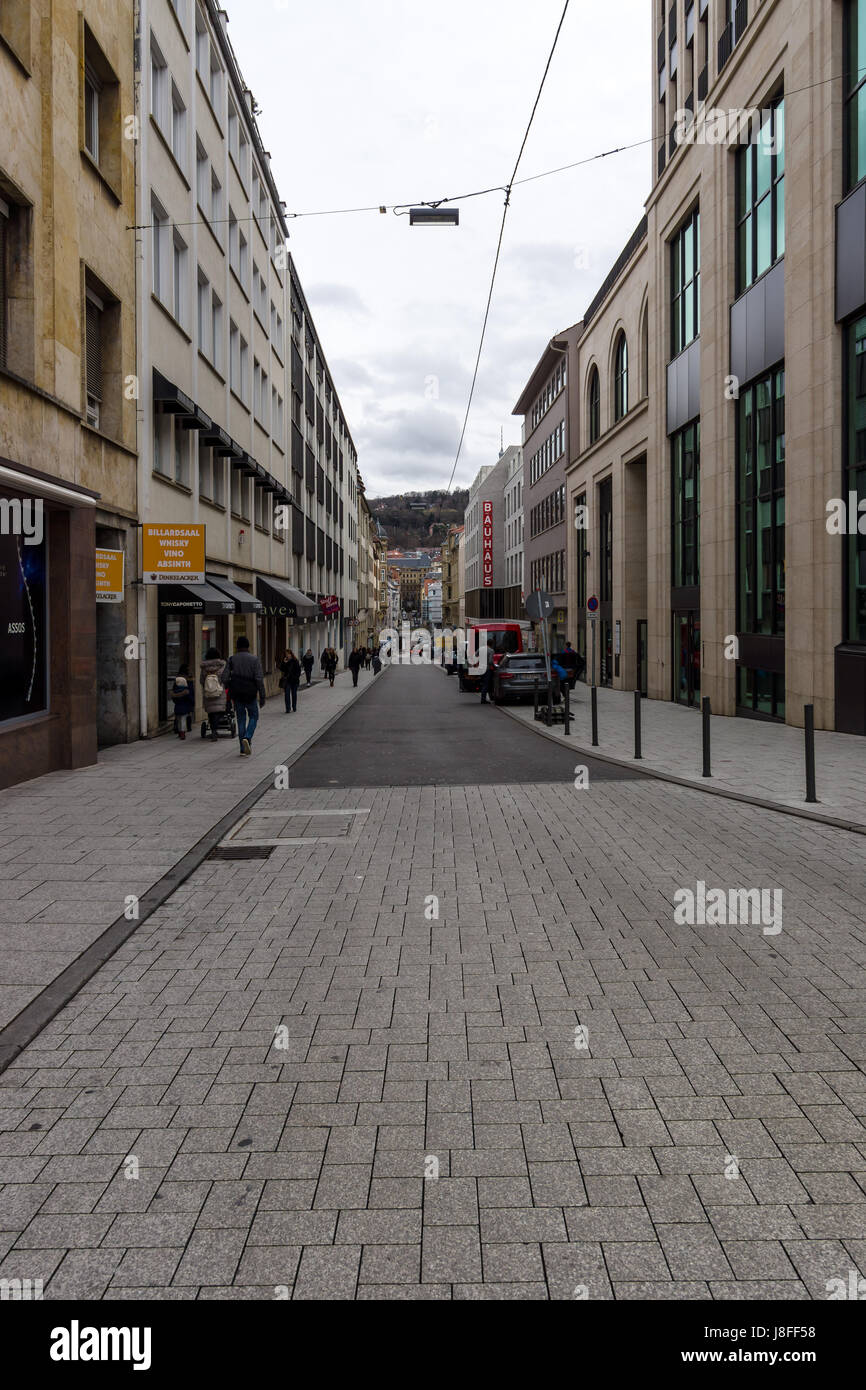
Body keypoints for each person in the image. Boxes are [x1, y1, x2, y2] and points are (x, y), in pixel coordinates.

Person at [221, 636, 265, 755]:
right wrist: (262, 695)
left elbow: (224, 678)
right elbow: (259, 679)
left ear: (237, 646)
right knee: (254, 716)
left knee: (241, 719)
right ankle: (248, 736)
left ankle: (242, 748)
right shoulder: (254, 660)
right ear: (248, 646)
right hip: (250, 693)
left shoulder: (231, 659)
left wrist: (230, 686)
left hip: (237, 693)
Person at [200, 646, 226, 740]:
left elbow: (201, 681)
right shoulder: (222, 666)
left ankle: (213, 729)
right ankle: (215, 728)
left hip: (208, 693)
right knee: (218, 711)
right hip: (220, 692)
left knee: (211, 712)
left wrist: (208, 686)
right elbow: (225, 678)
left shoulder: (204, 668)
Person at [171, 665, 195, 739]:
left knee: (178, 719)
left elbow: (174, 693)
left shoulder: (177, 680)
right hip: (185, 705)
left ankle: (179, 731)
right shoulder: (188, 680)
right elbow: (191, 692)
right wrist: (192, 702)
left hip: (178, 706)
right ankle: (183, 732)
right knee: (183, 719)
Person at [479, 639, 496, 704]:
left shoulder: (481, 649)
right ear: (492, 644)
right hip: (487, 669)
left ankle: (484, 698)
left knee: (483, 684)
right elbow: (490, 661)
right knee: (486, 684)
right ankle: (483, 700)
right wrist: (494, 666)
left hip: (480, 668)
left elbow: (475, 655)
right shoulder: (491, 650)